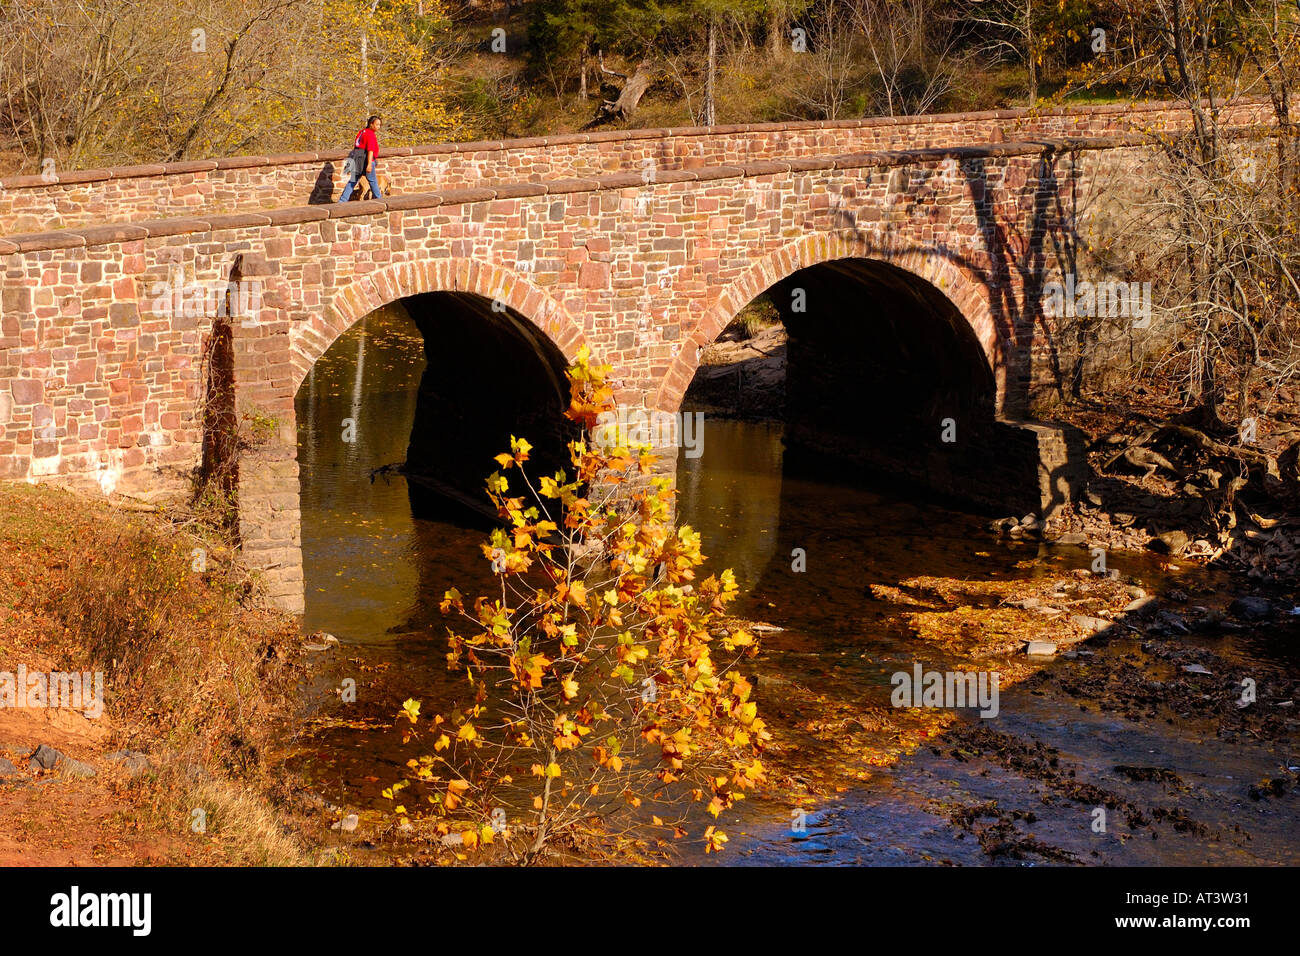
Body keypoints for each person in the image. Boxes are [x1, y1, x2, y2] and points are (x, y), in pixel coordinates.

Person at [339, 115, 383, 201]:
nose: (378, 127)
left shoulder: (362, 132)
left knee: (353, 181)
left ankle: (342, 201)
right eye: (377, 124)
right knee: (373, 181)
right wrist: (369, 164)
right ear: (371, 124)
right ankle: (379, 200)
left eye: (379, 125)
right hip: (365, 159)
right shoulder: (370, 134)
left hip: (357, 158)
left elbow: (356, 147)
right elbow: (370, 150)